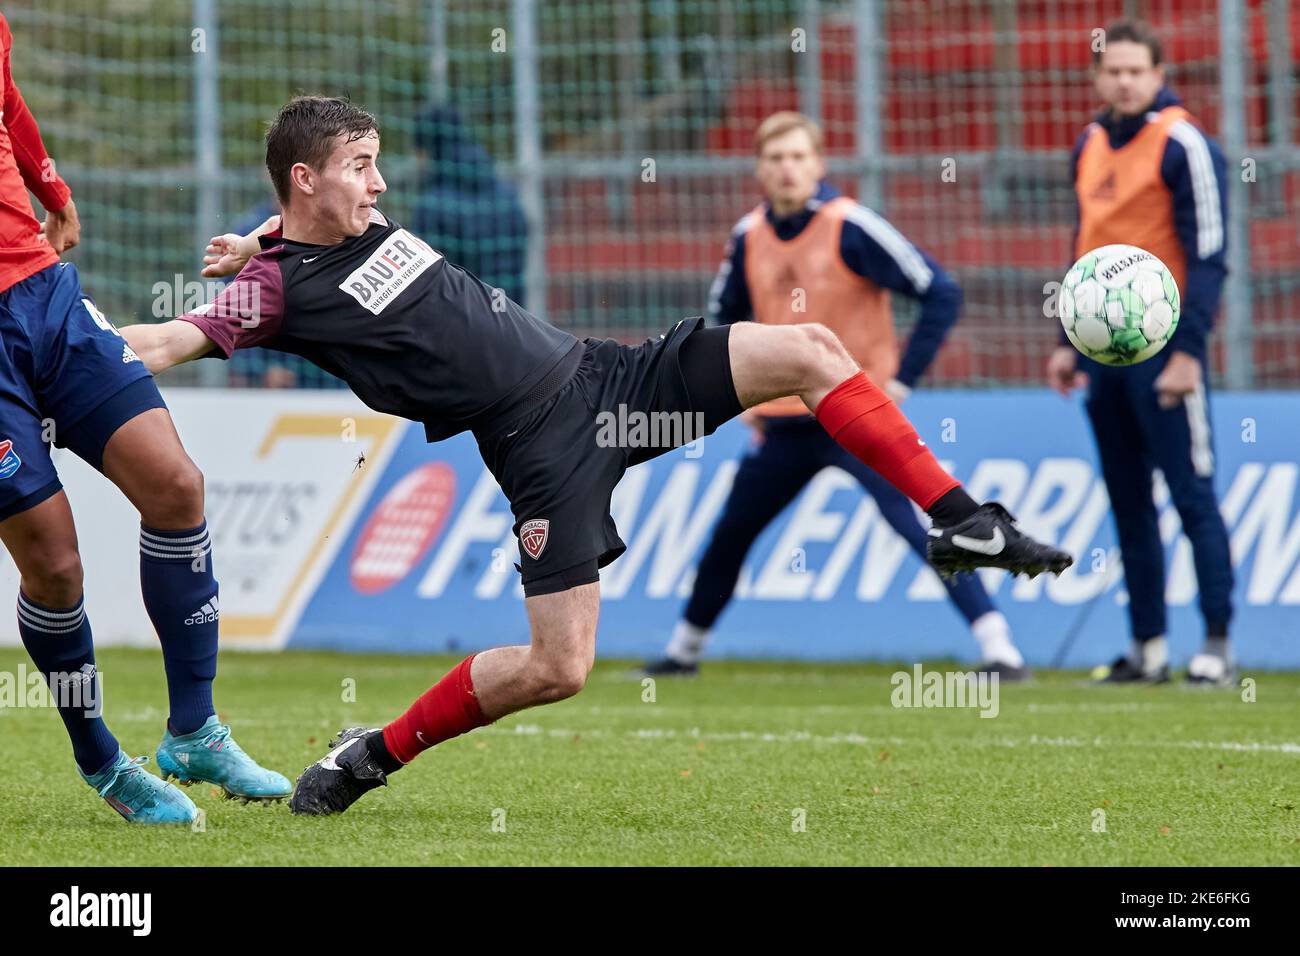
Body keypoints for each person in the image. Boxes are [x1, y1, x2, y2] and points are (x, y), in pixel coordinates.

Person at [122, 95, 1072, 816]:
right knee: (558, 667)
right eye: (360, 166)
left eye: (375, 164)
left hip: (606, 379)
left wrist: (260, 232)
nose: (378, 183)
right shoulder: (275, 291)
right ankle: (370, 753)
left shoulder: (333, 226)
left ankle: (962, 520)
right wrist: (60, 337)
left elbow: (292, 224)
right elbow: (171, 342)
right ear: (307, 179)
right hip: (540, 452)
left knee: (815, 351)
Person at [0, 12, 288, 824]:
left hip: (44, 297)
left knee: (175, 484)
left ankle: (193, 729)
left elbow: (6, 99)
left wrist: (49, 185)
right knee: (54, 566)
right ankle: (105, 767)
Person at [645, 112, 1029, 680]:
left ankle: (1001, 650)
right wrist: (741, 398)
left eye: (799, 157)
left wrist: (901, 381)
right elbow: (723, 324)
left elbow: (939, 291)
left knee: (923, 526)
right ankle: (684, 652)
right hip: (784, 422)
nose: (787, 169)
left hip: (856, 419)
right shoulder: (748, 236)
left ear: (819, 164)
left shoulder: (850, 226)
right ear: (759, 169)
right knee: (732, 531)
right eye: (776, 159)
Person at [1045, 19, 1234, 686]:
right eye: (1112, 70)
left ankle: (1214, 644)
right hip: (1103, 357)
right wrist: (1065, 341)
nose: (1124, 81)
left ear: (1158, 75)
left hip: (1166, 354)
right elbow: (1084, 246)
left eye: (1136, 70)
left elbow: (1210, 256)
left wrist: (1188, 352)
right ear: (1097, 78)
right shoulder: (1090, 143)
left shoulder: (1183, 144)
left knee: (1192, 494)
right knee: (1127, 500)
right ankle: (1148, 649)